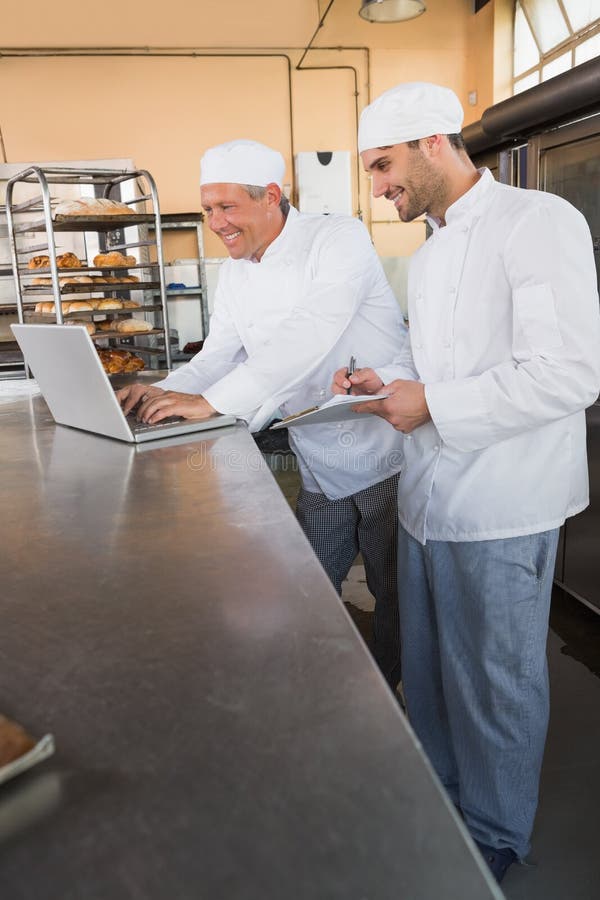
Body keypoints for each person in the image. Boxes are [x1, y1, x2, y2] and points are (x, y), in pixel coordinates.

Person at [333, 81, 600, 882]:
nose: (379, 187)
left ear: (435, 144)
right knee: (438, 673)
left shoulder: (537, 222)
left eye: (384, 166)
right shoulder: (435, 246)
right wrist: (392, 378)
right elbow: (441, 363)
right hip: (429, 502)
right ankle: (447, 800)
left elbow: (568, 374)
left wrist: (434, 404)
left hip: (504, 504)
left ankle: (495, 835)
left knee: (498, 682)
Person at [117, 139, 407, 688]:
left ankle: (393, 696)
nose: (215, 223)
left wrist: (212, 403)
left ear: (271, 196)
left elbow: (310, 334)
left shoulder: (336, 238)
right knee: (307, 585)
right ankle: (305, 687)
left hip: (383, 444)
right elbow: (220, 353)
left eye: (226, 208)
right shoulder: (238, 271)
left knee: (394, 592)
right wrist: (157, 392)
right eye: (207, 210)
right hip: (320, 451)